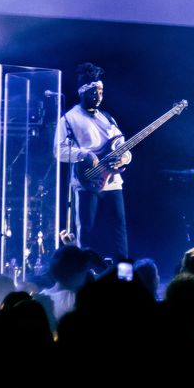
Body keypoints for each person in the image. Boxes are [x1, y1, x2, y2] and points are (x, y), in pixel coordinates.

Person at [54, 63, 130, 260]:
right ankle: (85, 271)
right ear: (82, 93)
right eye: (93, 92)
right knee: (87, 231)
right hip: (86, 181)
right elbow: (58, 151)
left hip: (113, 181)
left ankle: (123, 272)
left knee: (118, 229)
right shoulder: (69, 119)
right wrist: (84, 154)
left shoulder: (108, 118)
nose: (98, 96)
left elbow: (123, 146)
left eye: (101, 92)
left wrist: (125, 158)